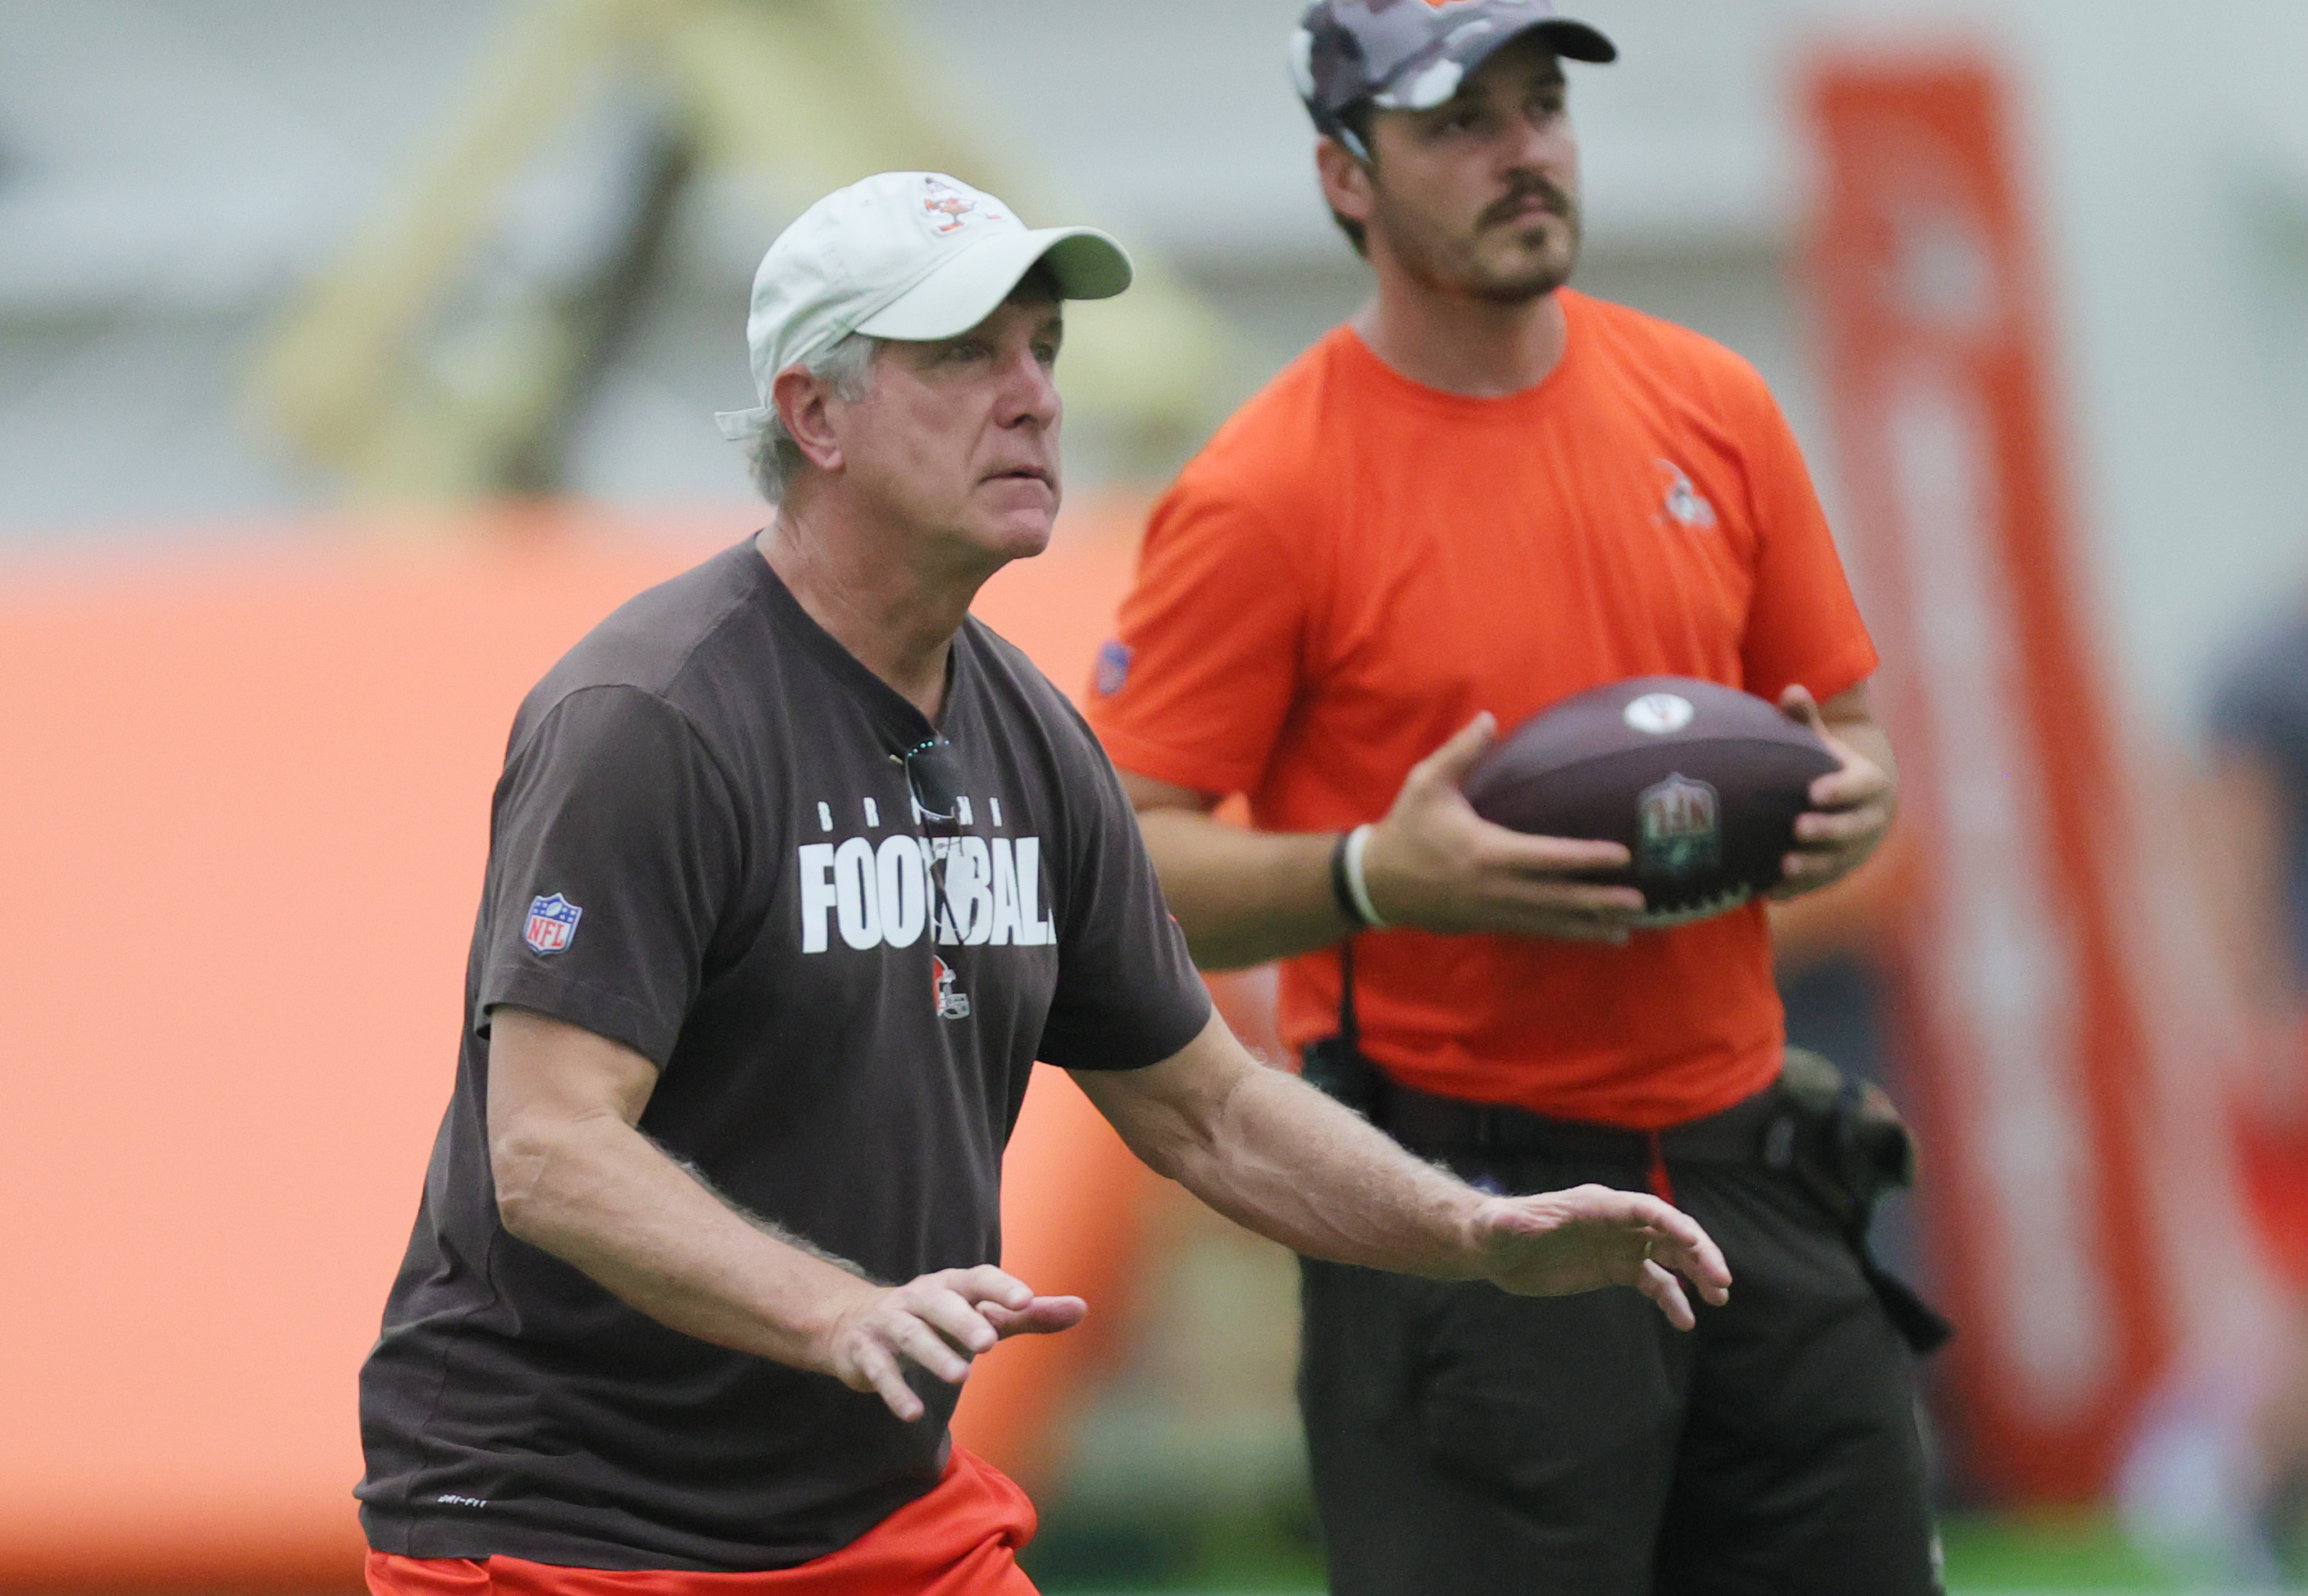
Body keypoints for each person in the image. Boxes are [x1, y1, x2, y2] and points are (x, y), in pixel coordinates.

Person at [353, 170, 1729, 1596]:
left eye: (1043, 350)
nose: (1034, 397)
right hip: (562, 1528)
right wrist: (839, 1314)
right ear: (814, 412)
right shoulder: (653, 718)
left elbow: (1211, 1109)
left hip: (875, 1516)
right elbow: (552, 1153)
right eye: (964, 354)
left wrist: (1474, 1232)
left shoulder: (1027, 732)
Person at [1083, 6, 1936, 1593]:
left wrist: (1839, 802)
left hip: (1754, 1165)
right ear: (1347, 177)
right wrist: (1370, 876)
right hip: (1464, 1202)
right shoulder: (1266, 488)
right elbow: (1113, 861)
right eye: (1460, 122)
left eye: (1541, 106)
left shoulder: (1716, 408)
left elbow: (1862, 741)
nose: (1524, 148)